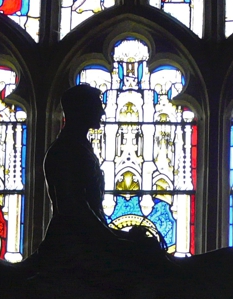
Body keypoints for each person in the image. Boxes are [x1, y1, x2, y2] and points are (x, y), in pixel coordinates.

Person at [37, 83, 166, 275]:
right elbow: (75, 210)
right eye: (97, 106)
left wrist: (123, 237)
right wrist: (117, 241)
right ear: (81, 110)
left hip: (89, 238)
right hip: (73, 245)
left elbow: (92, 214)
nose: (102, 112)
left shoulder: (81, 147)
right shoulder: (66, 150)